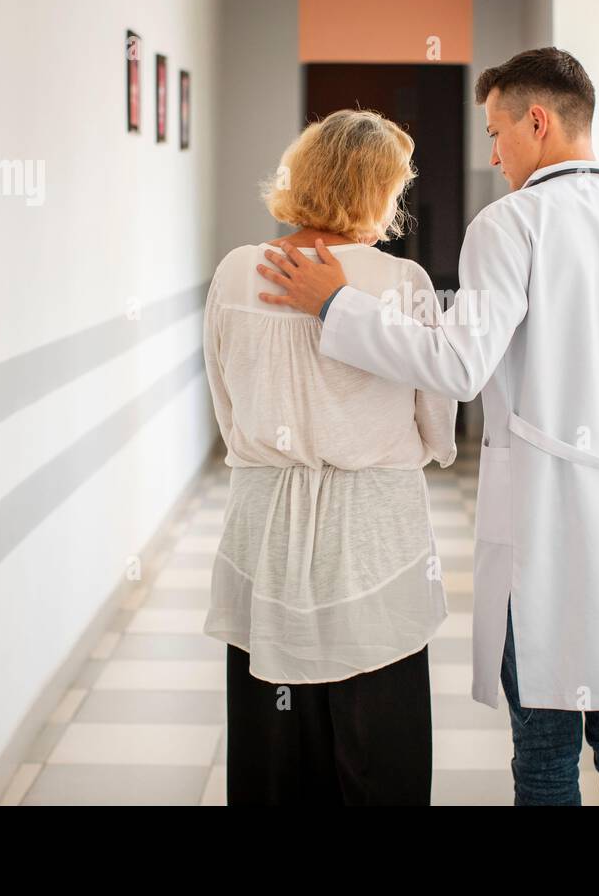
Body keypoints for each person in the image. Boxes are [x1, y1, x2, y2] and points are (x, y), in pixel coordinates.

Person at [257, 46, 599, 806]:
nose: (493, 156)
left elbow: (458, 367)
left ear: (538, 121)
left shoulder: (510, 225)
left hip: (550, 533)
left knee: (548, 753)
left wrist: (338, 305)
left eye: (497, 134)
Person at [201, 108, 456, 805]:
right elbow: (438, 430)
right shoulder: (401, 284)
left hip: (266, 532)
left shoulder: (235, 273)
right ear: (373, 191)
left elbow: (228, 411)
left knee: (274, 759)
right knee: (380, 760)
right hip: (375, 536)